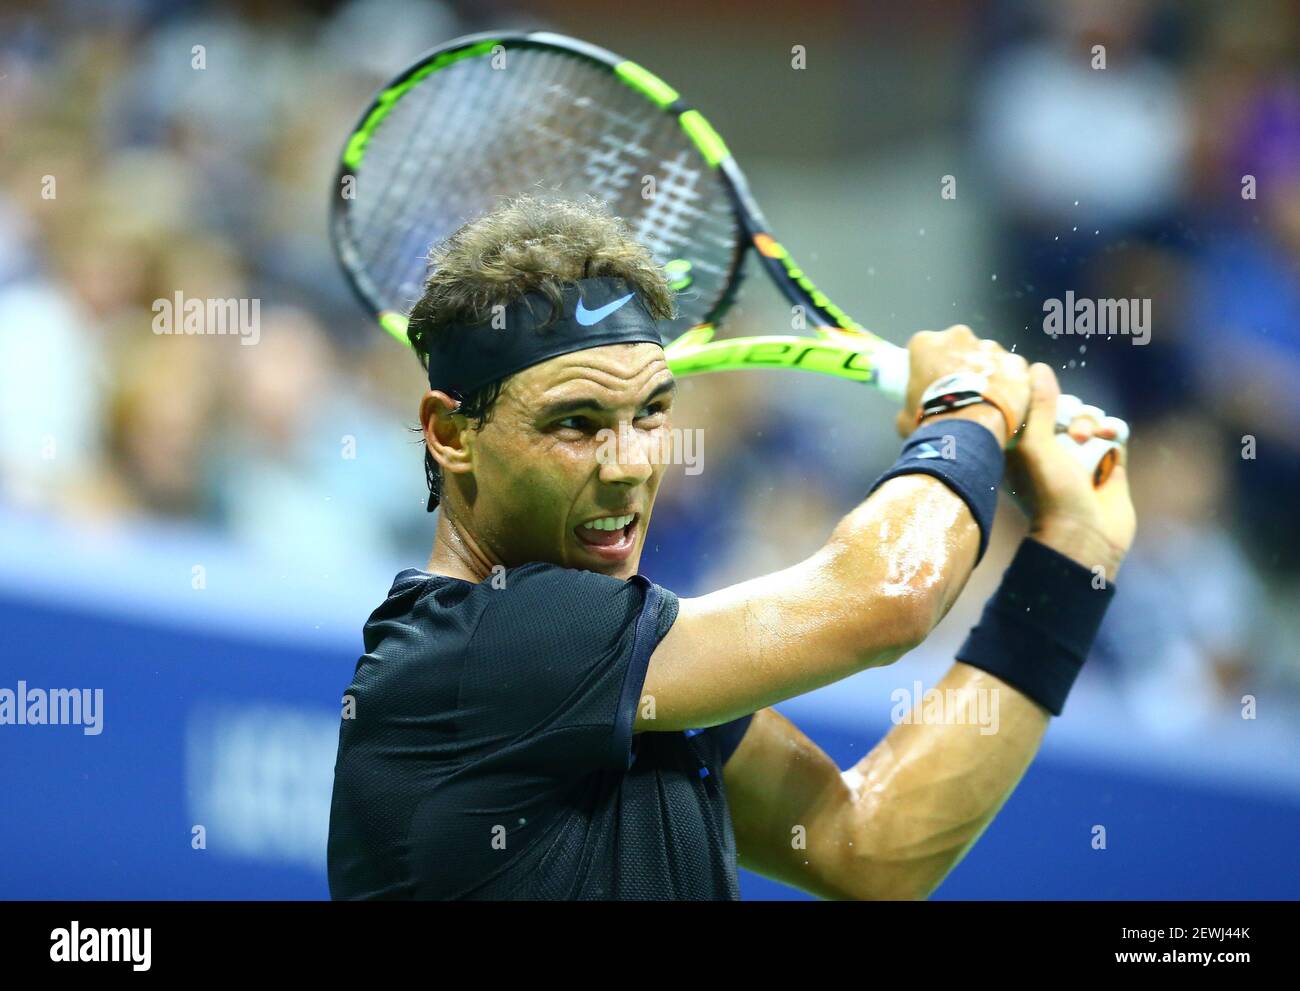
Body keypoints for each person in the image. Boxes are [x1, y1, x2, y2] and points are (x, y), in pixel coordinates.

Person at [326, 196, 1135, 900]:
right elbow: (888, 597)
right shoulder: (484, 645)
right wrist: (966, 411)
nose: (633, 465)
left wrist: (1073, 549)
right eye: (574, 423)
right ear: (450, 432)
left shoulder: (633, 679)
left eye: (650, 412)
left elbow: (877, 848)